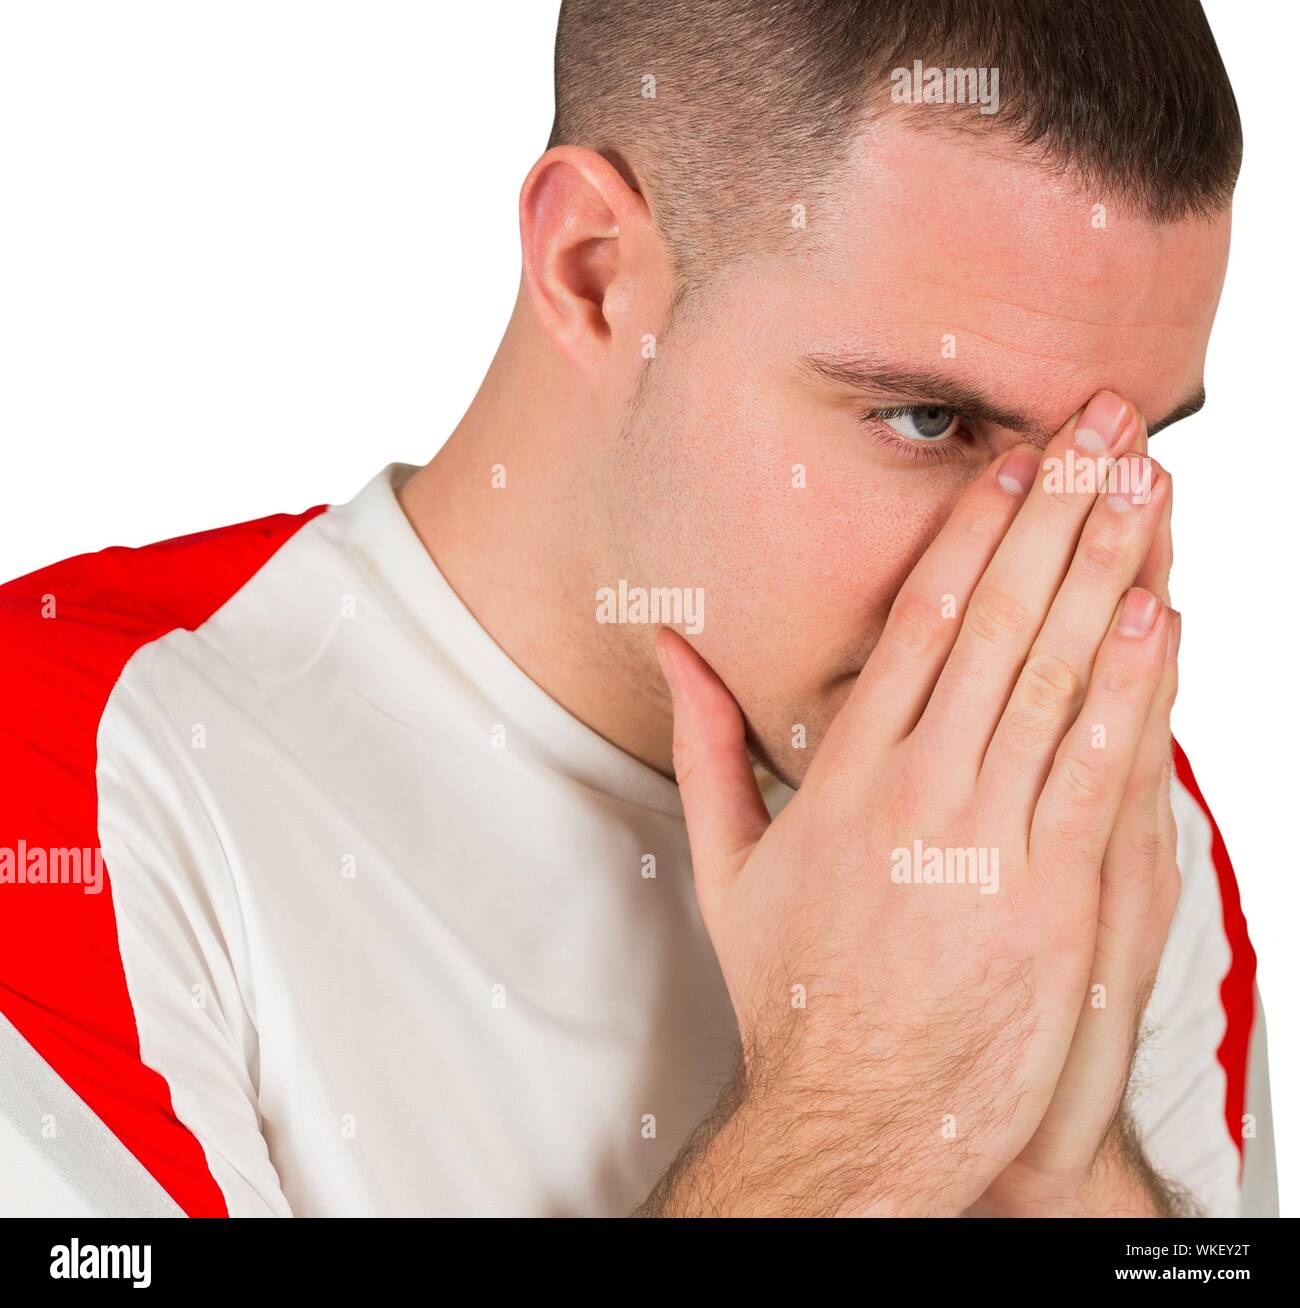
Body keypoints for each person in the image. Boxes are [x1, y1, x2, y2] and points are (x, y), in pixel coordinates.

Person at [0, 0, 1276, 1216]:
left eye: (1114, 464)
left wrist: (1069, 1181)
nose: (1036, 580)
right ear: (595, 273)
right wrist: (861, 1119)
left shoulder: (1107, 811)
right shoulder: (74, 772)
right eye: (927, 420)